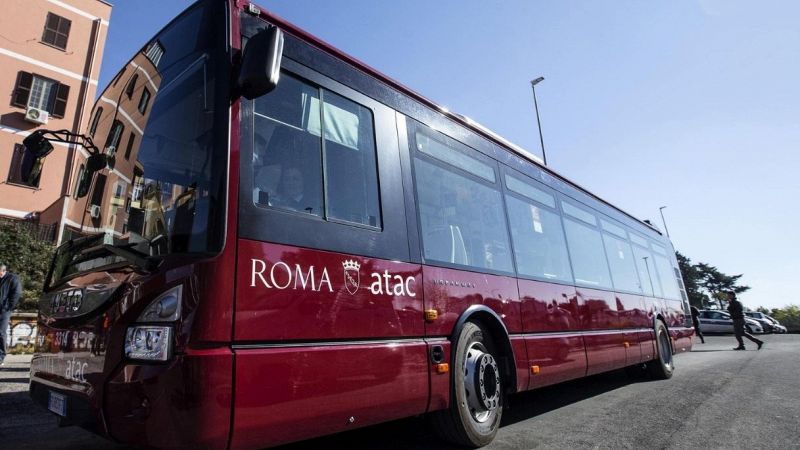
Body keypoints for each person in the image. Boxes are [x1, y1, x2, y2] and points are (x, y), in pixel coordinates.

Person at [0, 263, 22, 365]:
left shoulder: (13, 279)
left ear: (4, 271)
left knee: (1, 333)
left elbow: (16, 293)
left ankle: (1, 356)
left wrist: (8, 307)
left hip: (4, 310)